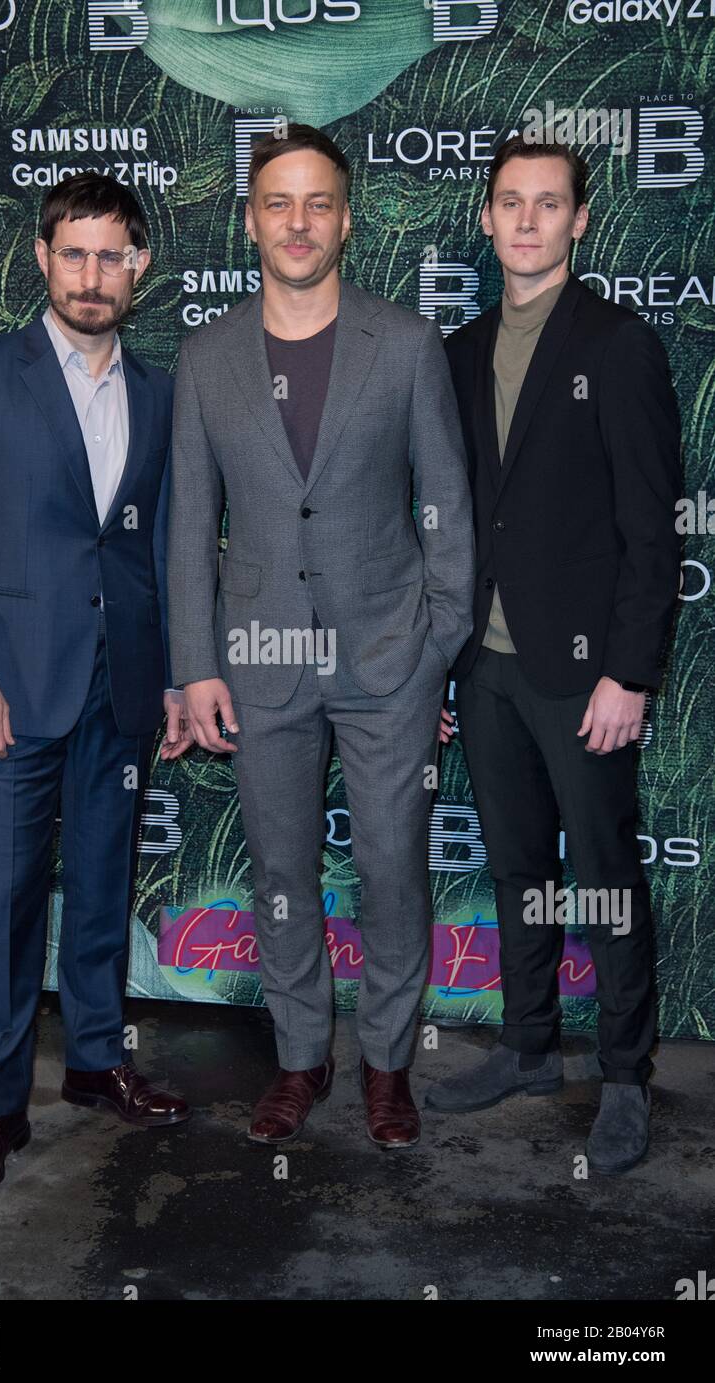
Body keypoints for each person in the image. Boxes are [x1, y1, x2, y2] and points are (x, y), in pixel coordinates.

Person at [167, 124, 474, 1148]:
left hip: (387, 660)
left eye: (317, 203)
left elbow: (446, 509)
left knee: (392, 870)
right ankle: (301, 1058)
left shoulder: (406, 344)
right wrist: (196, 665)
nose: (297, 223)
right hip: (258, 666)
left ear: (345, 218)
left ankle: (388, 1066)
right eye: (276, 203)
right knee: (282, 876)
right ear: (248, 217)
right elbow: (186, 528)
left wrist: (433, 652)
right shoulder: (206, 356)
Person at [0, 172, 193, 1198]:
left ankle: (92, 1059)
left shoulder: (158, 392)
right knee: (7, 904)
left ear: (139, 267)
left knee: (102, 891)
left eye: (110, 255)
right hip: (10, 695)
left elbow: (158, 548)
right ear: (43, 259)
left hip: (117, 690)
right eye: (72, 254)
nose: (90, 275)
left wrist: (165, 680)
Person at [430, 136, 682, 1175]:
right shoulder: (457, 348)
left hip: (583, 675)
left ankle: (622, 1075)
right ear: (485, 219)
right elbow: (448, 524)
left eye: (546, 204)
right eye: (507, 202)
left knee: (605, 878)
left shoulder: (616, 345)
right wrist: (443, 664)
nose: (525, 220)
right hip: (486, 669)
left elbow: (651, 527)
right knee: (517, 868)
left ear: (579, 221)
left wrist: (628, 673)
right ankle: (530, 1047)